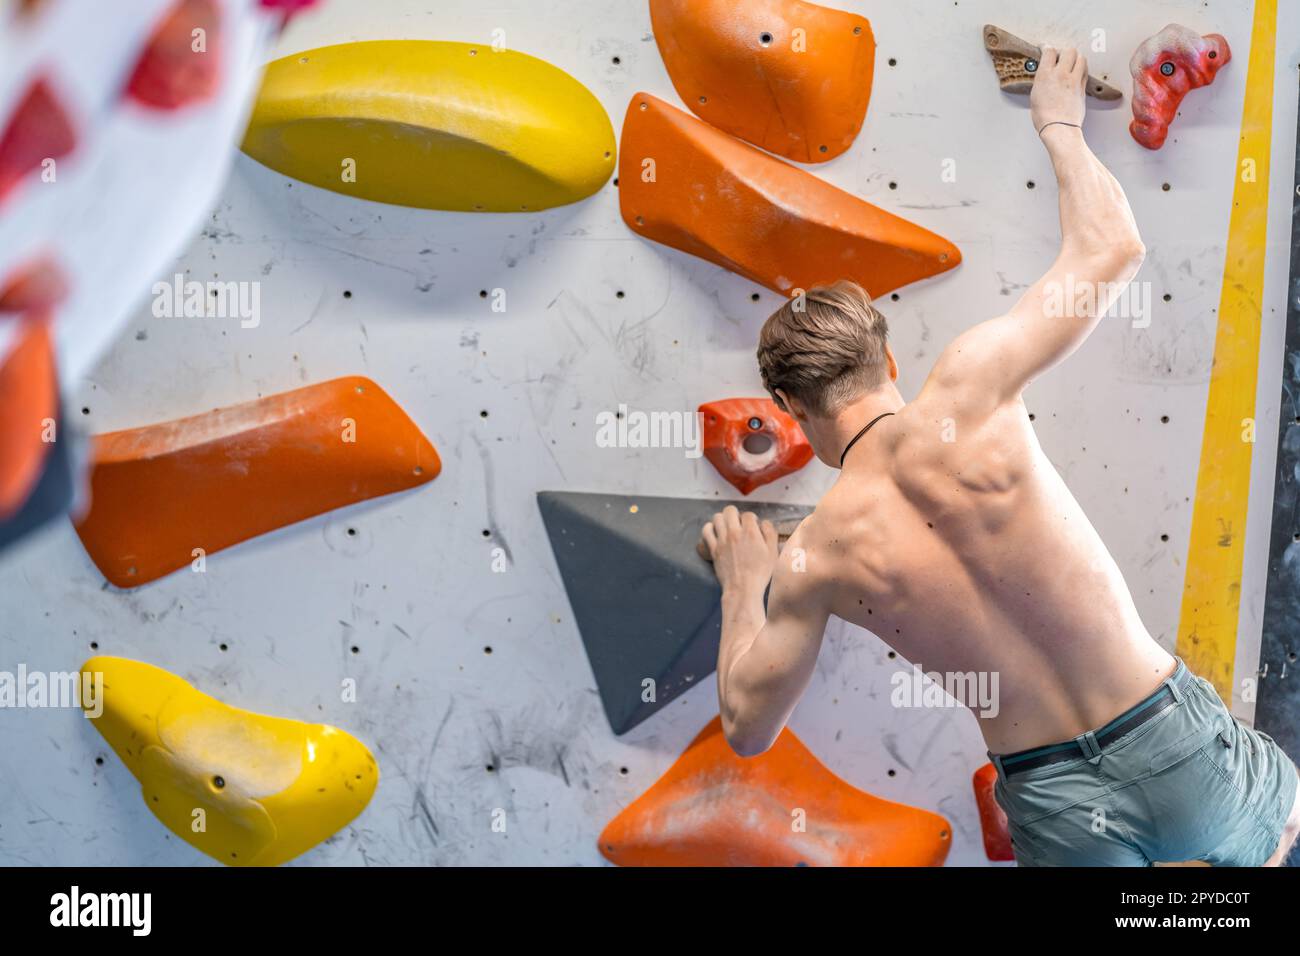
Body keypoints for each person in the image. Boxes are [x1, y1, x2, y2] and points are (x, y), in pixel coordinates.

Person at [701, 46, 1300, 867]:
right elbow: (1112, 249)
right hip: (1169, 740)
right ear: (890, 362)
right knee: (1279, 824)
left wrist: (743, 586)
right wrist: (1058, 126)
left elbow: (747, 726)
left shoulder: (816, 559)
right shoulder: (970, 386)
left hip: (1052, 794)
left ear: (790, 411)